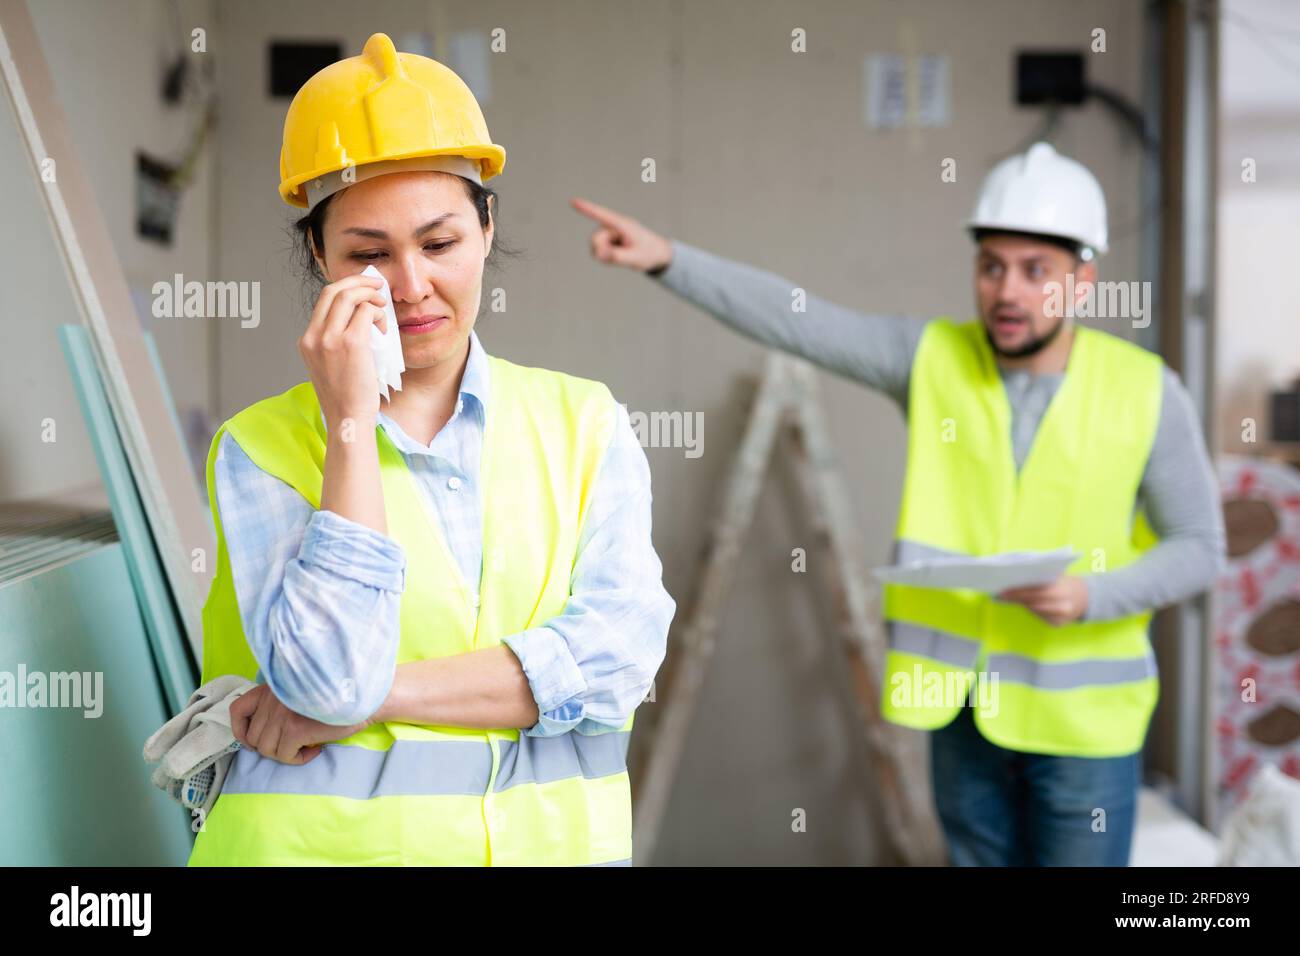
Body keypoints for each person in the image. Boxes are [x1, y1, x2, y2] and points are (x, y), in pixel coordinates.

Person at [572, 142, 1226, 866]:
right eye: (992, 266)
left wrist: (1092, 593)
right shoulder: (929, 357)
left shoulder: (1145, 390)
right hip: (960, 713)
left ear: (1081, 282)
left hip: (1084, 732)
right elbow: (800, 320)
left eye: (1035, 271)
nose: (1007, 291)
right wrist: (669, 259)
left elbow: (1200, 547)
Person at [188, 33, 674, 866]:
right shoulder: (261, 447)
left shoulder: (585, 424)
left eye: (439, 243)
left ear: (487, 226)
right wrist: (348, 425)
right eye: (369, 255)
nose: (410, 287)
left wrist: (378, 699)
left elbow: (619, 658)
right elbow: (327, 679)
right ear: (319, 254)